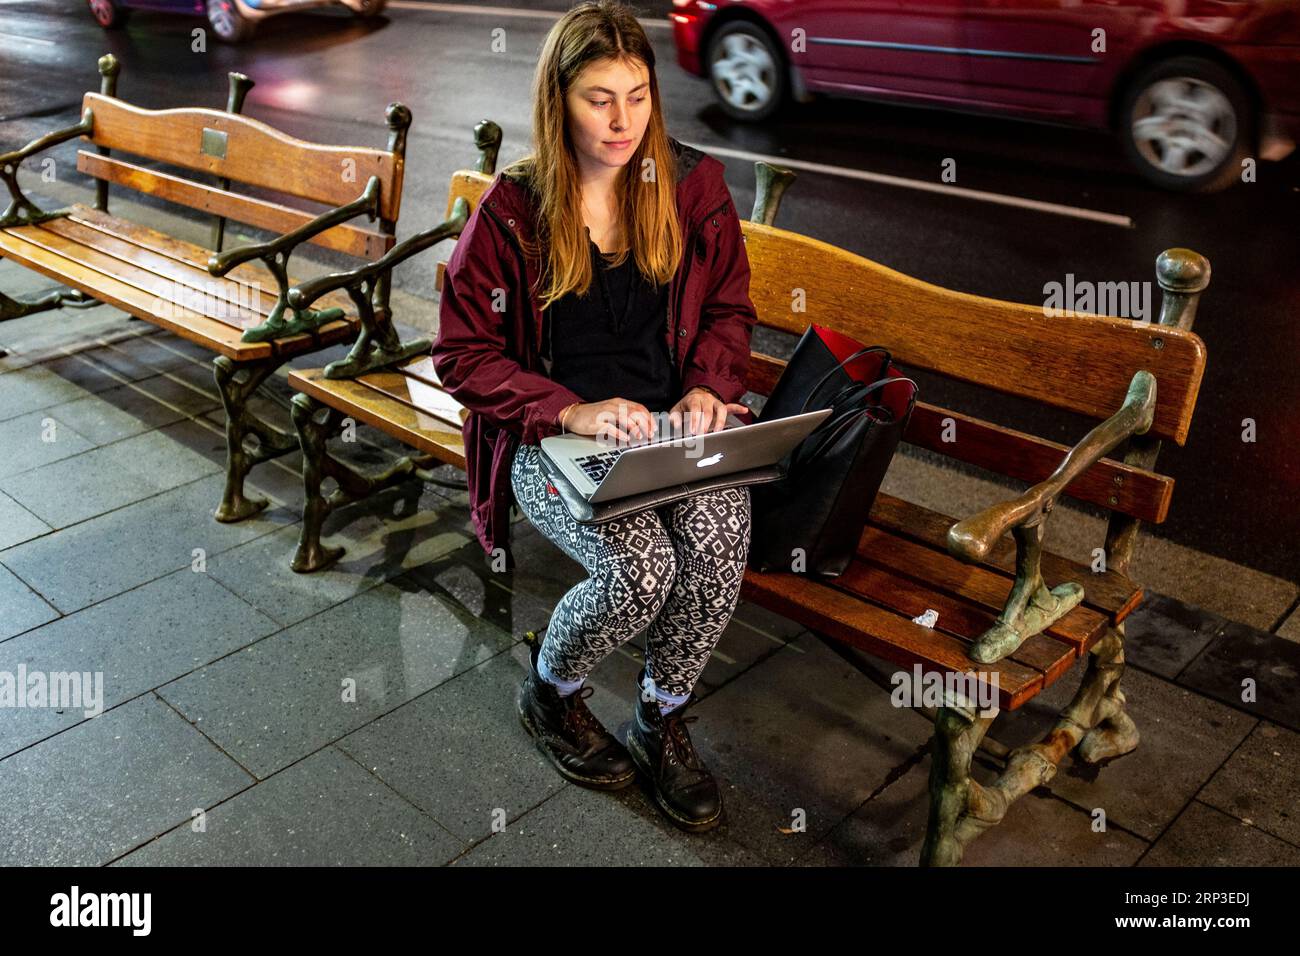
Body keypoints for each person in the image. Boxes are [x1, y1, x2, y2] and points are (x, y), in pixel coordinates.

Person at [430, 0, 758, 832]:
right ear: (558, 100)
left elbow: (727, 309)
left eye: (638, 95)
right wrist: (570, 409)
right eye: (598, 98)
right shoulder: (512, 213)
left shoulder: (691, 186)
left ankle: (660, 716)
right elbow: (462, 355)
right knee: (639, 569)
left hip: (672, 428)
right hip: (553, 438)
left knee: (718, 539)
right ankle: (552, 691)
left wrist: (709, 387)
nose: (623, 121)